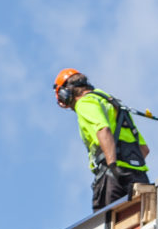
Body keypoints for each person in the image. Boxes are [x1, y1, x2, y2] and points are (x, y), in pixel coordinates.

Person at [53, 68, 151, 210]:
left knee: (108, 224)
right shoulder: (112, 104)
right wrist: (129, 168)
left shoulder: (84, 103)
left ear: (65, 92)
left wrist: (113, 167)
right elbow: (144, 149)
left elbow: (103, 130)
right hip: (139, 176)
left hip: (112, 176)